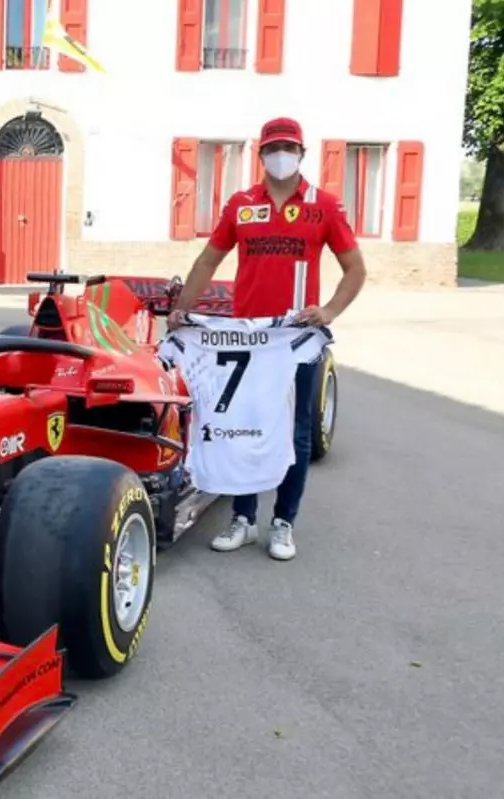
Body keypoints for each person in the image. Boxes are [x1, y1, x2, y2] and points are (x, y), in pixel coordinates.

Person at [166, 116, 367, 561]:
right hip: (246, 339)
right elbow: (206, 262)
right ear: (261, 155)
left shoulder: (324, 206)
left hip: (295, 339)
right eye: (274, 148)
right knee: (245, 425)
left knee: (295, 435)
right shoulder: (241, 205)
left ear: (301, 153)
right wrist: (182, 308)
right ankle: (243, 518)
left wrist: (329, 312)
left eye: (289, 148)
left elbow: (356, 269)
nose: (282, 156)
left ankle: (283, 523)